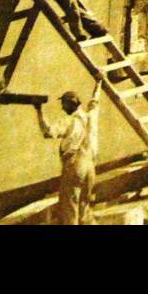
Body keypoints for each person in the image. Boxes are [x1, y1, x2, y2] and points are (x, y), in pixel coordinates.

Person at [36, 84, 101, 225]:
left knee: (69, 207)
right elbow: (95, 100)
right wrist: (98, 83)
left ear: (69, 104)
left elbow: (48, 132)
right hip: (90, 165)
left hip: (75, 164)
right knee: (85, 207)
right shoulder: (91, 115)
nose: (62, 108)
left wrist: (39, 111)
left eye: (63, 104)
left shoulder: (68, 120)